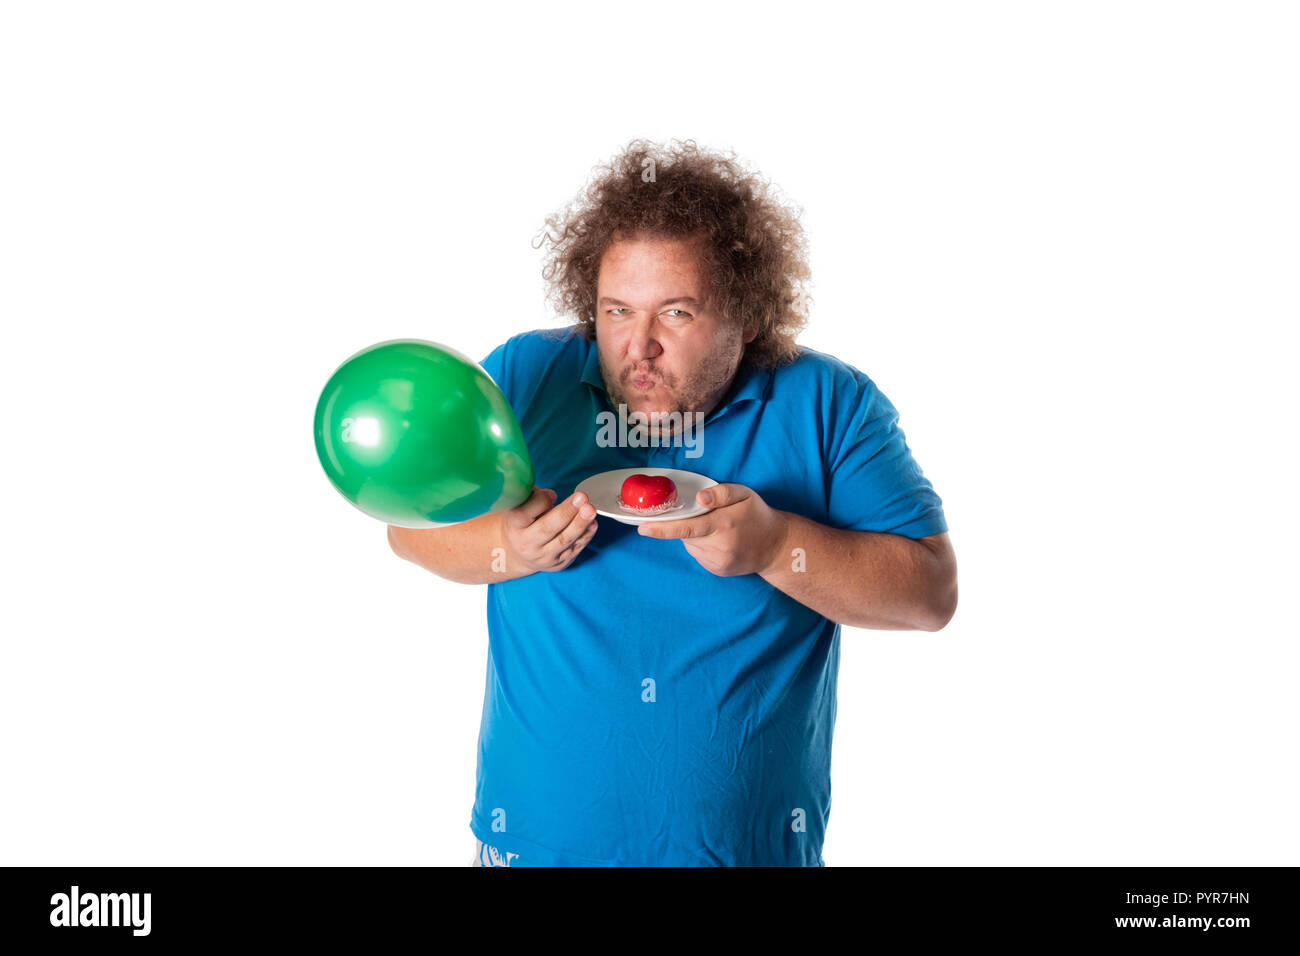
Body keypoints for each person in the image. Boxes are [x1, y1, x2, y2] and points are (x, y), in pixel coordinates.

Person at [388, 139, 958, 866]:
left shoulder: (830, 403)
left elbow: (931, 593)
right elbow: (411, 527)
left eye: (678, 313)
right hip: (532, 849)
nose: (639, 348)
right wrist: (508, 545)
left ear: (747, 314)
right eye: (617, 311)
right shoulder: (530, 373)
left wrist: (778, 547)